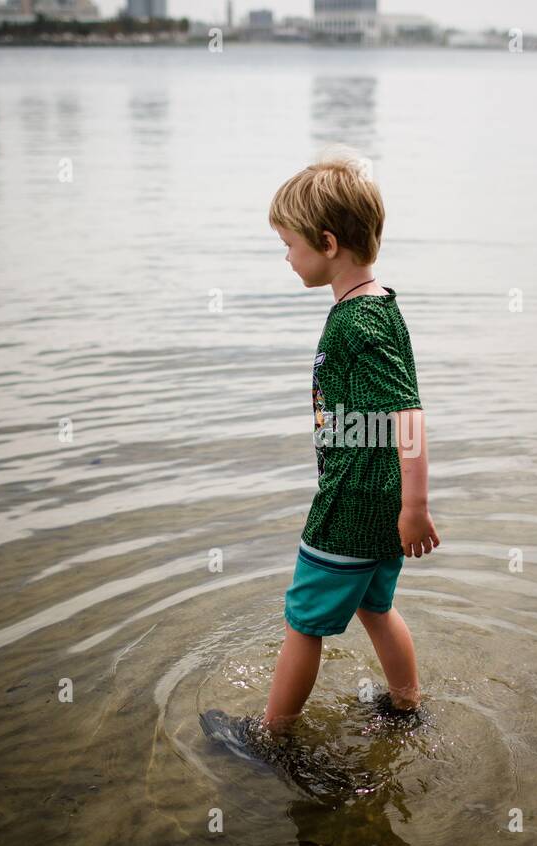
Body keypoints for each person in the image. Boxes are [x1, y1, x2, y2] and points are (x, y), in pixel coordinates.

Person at [200, 146, 439, 760]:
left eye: (289, 244)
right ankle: (406, 706)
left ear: (328, 243)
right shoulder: (380, 305)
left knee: (303, 621)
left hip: (354, 501)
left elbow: (408, 414)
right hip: (378, 493)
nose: (285, 256)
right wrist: (403, 504)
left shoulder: (358, 324)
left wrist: (415, 507)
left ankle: (270, 736)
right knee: (375, 607)